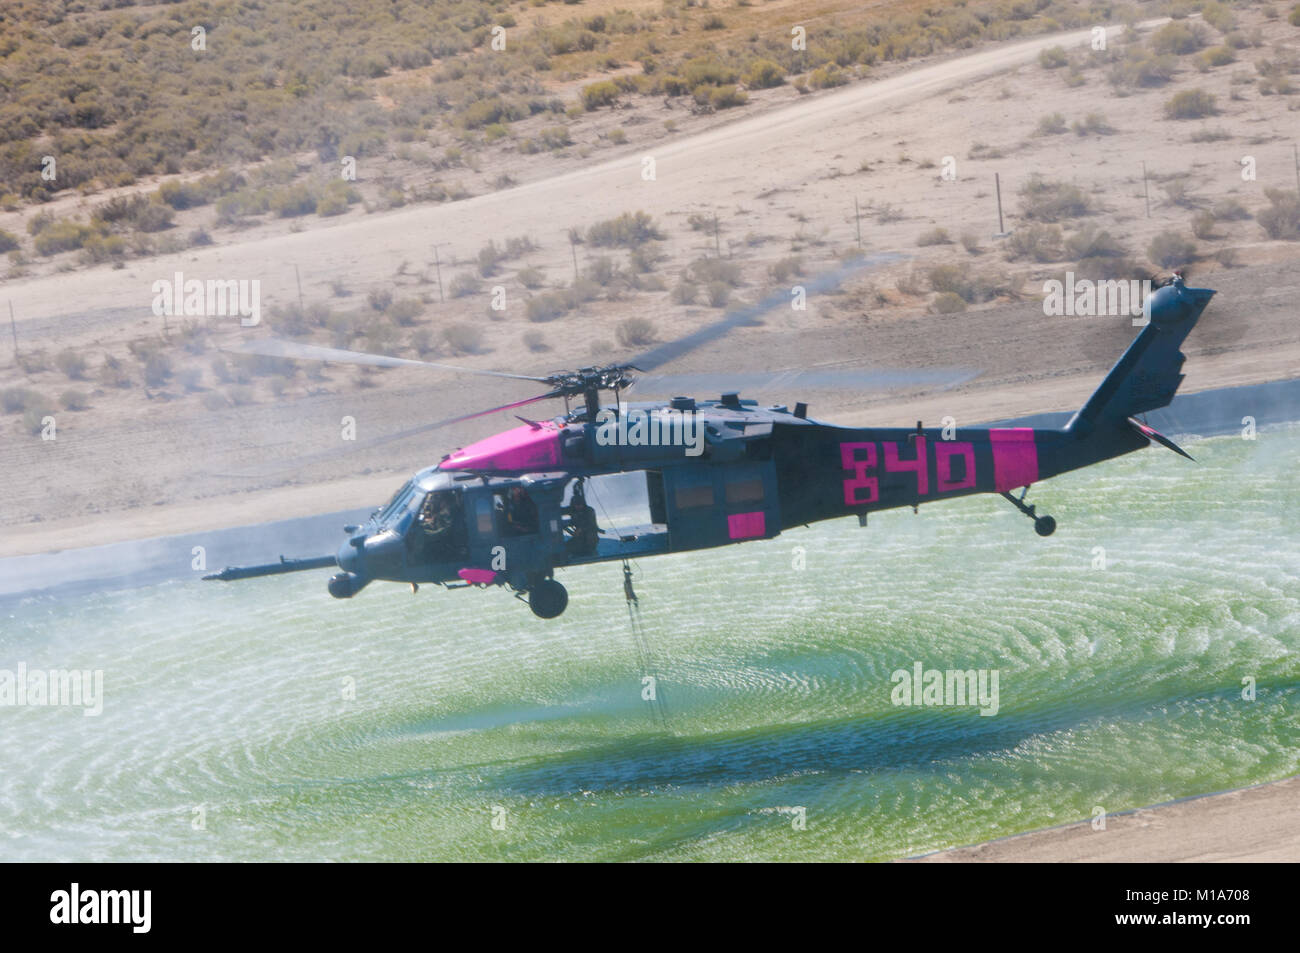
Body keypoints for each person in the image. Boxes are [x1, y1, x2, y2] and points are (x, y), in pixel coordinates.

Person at [564, 483, 600, 556]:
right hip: (579, 539)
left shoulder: (589, 511)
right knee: (564, 548)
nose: (578, 507)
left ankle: (587, 553)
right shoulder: (573, 510)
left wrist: (581, 529)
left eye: (580, 504)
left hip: (589, 539)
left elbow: (590, 524)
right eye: (576, 505)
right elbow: (558, 511)